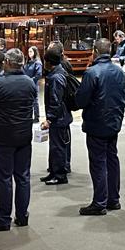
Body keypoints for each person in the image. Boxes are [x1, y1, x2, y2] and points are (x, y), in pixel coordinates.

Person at [0, 48, 38, 231]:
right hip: (23, 137)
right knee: (23, 177)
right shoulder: (29, 83)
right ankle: (22, 215)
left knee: (4, 179)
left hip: (2, 138)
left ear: (7, 62)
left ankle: (4, 218)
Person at [74, 39, 125, 215]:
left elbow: (81, 100)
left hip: (96, 123)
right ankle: (114, 199)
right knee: (112, 160)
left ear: (95, 51)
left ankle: (99, 202)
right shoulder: (119, 71)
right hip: (114, 122)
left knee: (98, 163)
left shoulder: (92, 73)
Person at [41, 44, 73, 185]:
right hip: (60, 117)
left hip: (59, 118)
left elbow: (56, 101)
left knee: (58, 147)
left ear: (48, 62)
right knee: (54, 146)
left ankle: (60, 175)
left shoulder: (56, 77)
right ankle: (53, 171)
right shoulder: (57, 73)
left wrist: (50, 119)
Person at [24, 45, 44, 122]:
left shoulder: (37, 63)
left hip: (33, 84)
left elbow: (38, 74)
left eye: (31, 51)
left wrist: (31, 80)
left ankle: (36, 117)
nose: (29, 53)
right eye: (28, 51)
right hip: (26, 83)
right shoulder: (28, 62)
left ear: (35, 52)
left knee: (34, 101)